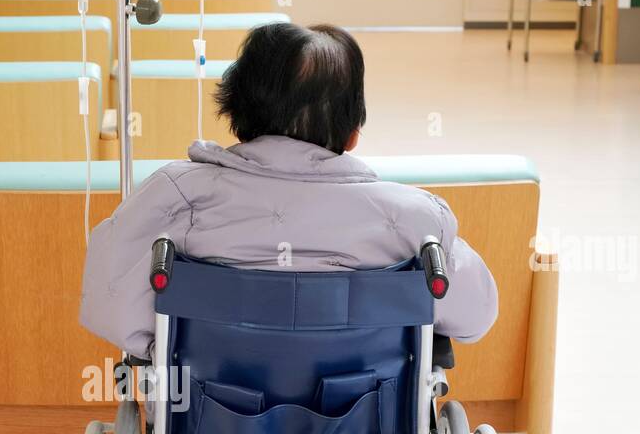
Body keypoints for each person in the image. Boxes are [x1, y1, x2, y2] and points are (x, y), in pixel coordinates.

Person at [80, 22, 498, 358]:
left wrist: (156, 348)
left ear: (236, 117)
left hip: (209, 427)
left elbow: (108, 302)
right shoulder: (414, 220)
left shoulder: (175, 197)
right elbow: (475, 317)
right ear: (353, 133)